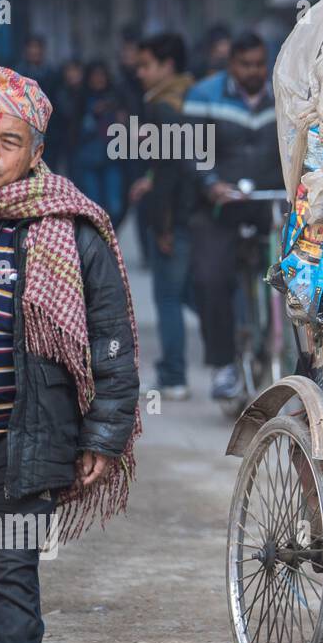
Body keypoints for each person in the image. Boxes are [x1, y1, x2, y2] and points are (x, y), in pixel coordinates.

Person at [0, 67, 140, 643]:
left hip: (22, 445)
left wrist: (106, 434)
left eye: (8, 143)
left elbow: (111, 341)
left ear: (35, 154)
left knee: (10, 586)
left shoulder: (69, 226)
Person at [181, 32, 282, 402]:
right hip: (218, 206)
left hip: (269, 202)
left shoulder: (281, 91)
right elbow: (190, 150)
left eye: (259, 64)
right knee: (210, 279)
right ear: (231, 65)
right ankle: (223, 363)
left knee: (301, 274)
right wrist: (210, 183)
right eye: (246, 65)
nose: (254, 71)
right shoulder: (203, 95)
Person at [130, 32, 197, 401]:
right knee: (189, 290)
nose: (140, 73)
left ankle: (173, 374)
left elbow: (172, 169)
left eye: (145, 65)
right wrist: (150, 177)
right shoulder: (195, 95)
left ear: (166, 66)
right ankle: (233, 351)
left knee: (169, 296)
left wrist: (164, 226)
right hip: (199, 209)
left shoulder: (163, 106)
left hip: (177, 214)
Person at [70, 61, 129, 226]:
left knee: (115, 206)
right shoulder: (82, 99)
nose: (99, 80)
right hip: (89, 160)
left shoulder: (116, 97)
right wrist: (92, 115)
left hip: (113, 158)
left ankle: (110, 234)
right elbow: (75, 131)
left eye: (101, 76)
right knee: (94, 206)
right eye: (95, 76)